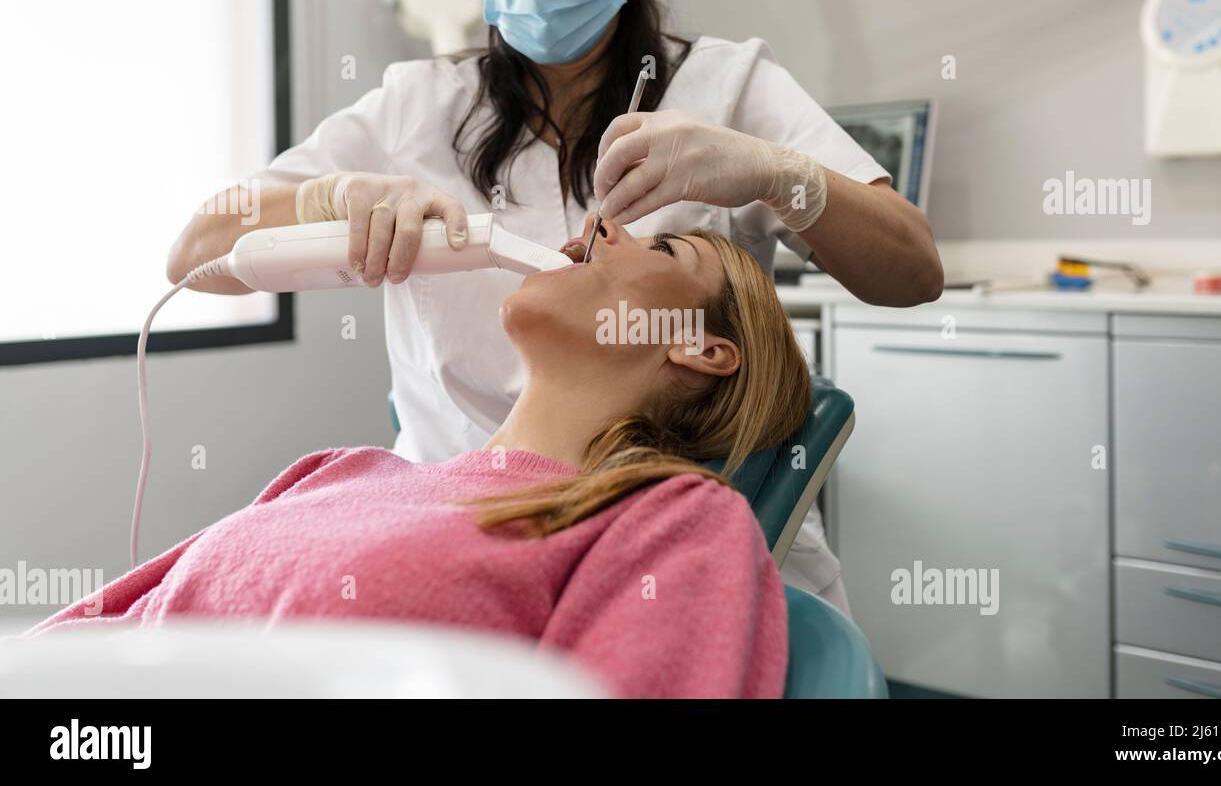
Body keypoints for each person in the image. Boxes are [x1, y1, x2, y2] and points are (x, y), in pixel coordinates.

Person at [166, 0, 942, 616]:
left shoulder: (729, 87)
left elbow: (913, 269)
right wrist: (326, 199)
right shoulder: (413, 108)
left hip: (619, 540)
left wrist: (778, 173)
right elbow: (195, 253)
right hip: (449, 521)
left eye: (664, 242)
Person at [32, 223, 810, 699]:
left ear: (701, 347)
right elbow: (80, 645)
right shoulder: (341, 471)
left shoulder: (674, 520)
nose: (597, 230)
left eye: (663, 245)